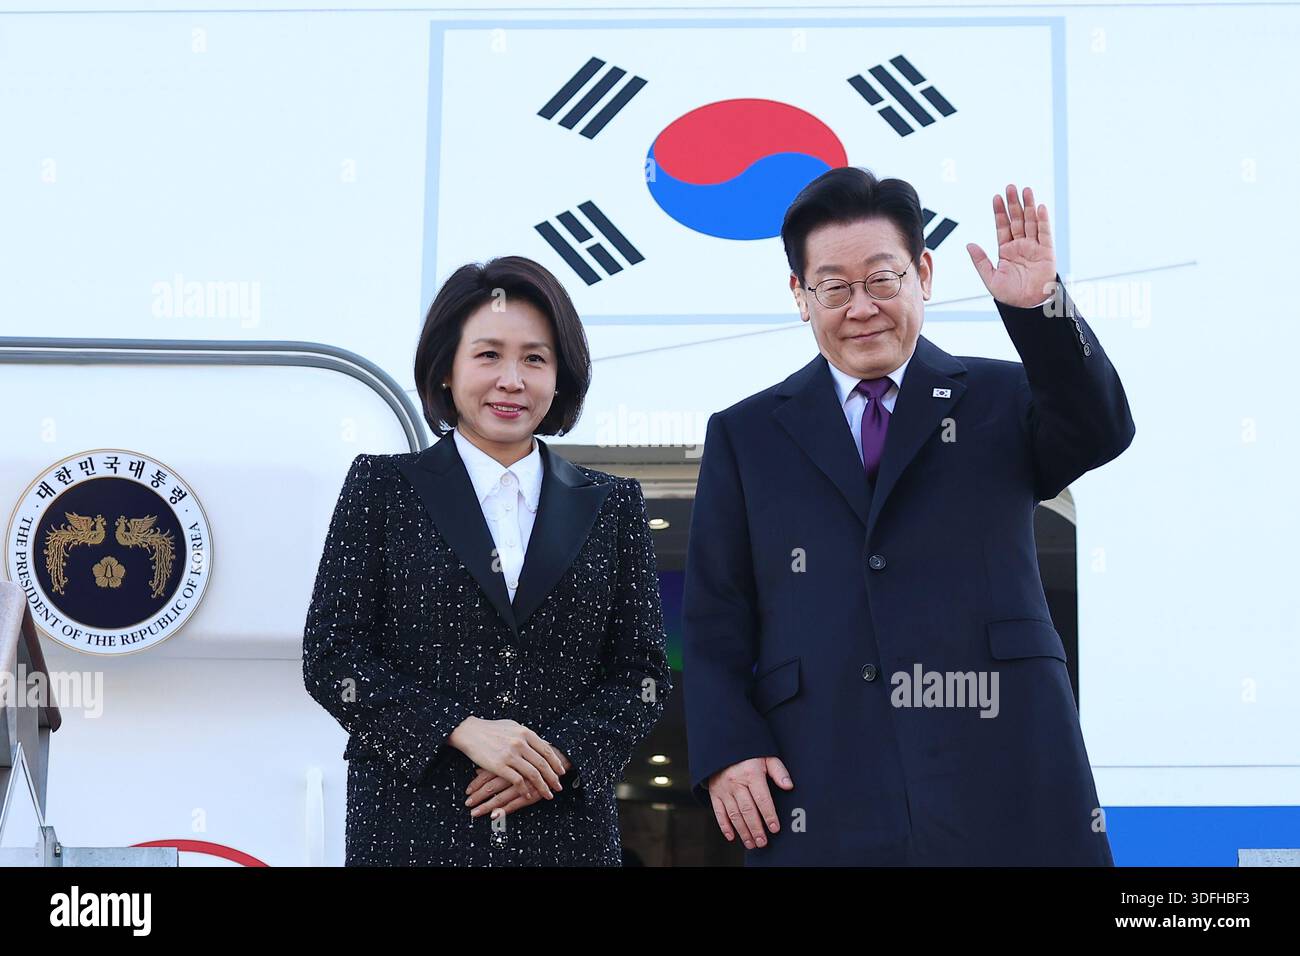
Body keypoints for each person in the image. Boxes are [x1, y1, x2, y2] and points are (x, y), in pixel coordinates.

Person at [683, 168, 1135, 865]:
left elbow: (1100, 429)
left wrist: (1042, 310)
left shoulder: (1002, 395)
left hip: (1005, 761)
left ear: (923, 273)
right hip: (819, 779)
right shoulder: (746, 435)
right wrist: (728, 747)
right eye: (833, 287)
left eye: (882, 279)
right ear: (801, 297)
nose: (860, 306)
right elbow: (716, 615)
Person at [303, 255, 671, 866]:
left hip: (564, 832)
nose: (511, 379)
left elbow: (643, 674)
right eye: (488, 354)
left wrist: (551, 758)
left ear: (561, 377)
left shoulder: (612, 505)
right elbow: (333, 656)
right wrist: (462, 729)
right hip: (413, 830)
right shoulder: (383, 488)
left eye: (535, 358)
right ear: (446, 368)